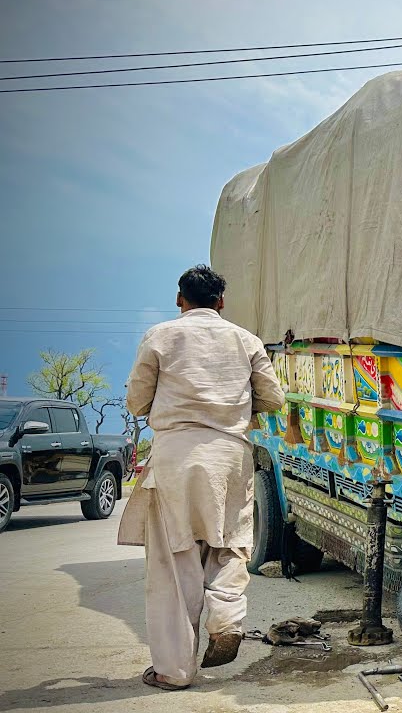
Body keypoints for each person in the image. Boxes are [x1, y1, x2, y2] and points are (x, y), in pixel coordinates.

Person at [118, 265, 284, 690]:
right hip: (229, 455)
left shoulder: (160, 336)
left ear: (180, 299)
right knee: (229, 543)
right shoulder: (245, 340)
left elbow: (137, 402)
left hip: (175, 458)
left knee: (175, 563)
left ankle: (174, 671)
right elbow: (273, 398)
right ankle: (226, 616)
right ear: (221, 302)